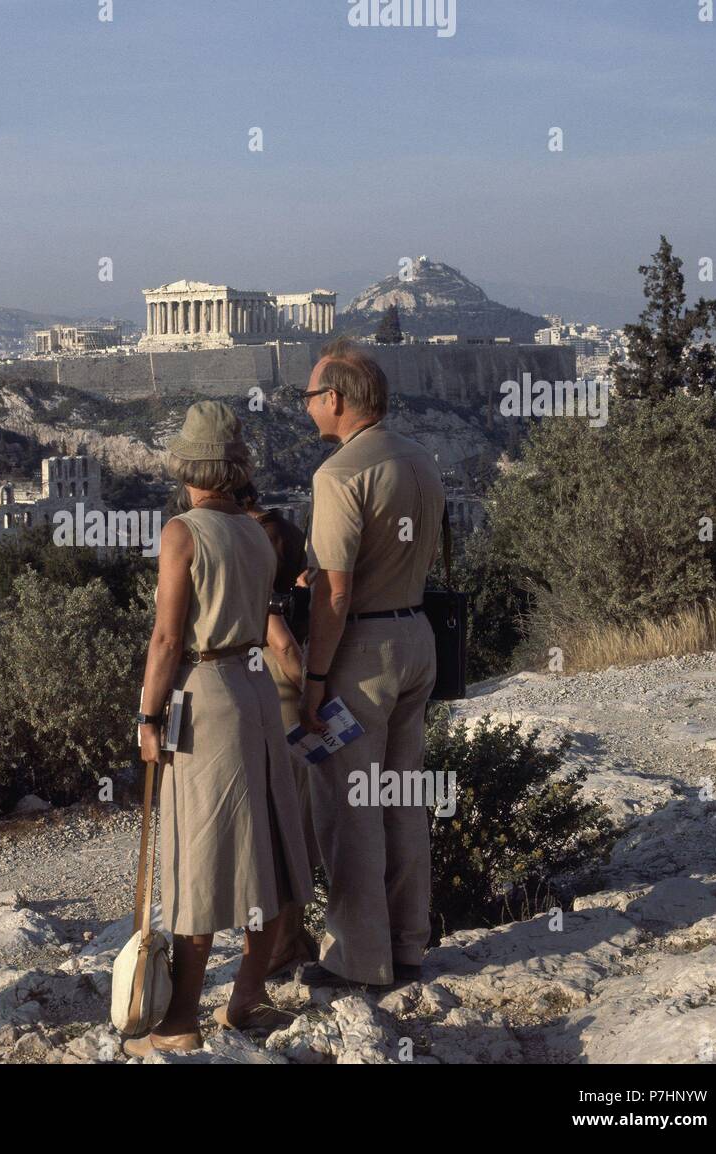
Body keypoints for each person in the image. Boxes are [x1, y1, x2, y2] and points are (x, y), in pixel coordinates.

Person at [129, 401, 314, 1056]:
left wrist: (149, 716)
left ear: (185, 463)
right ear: (233, 465)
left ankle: (179, 1021)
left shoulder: (183, 532)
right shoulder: (255, 532)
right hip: (259, 689)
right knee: (266, 845)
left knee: (200, 856)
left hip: (207, 693)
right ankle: (247, 994)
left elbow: (166, 637)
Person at [297, 340, 445, 989]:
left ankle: (359, 961)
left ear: (334, 399)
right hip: (416, 634)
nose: (306, 408)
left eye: (309, 397)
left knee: (352, 808)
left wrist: (315, 678)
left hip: (360, 654)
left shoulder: (338, 475)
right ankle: (410, 946)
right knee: (403, 799)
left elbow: (335, 593)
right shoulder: (421, 460)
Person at [232, 481, 322, 974]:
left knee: (277, 824)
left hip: (281, 689)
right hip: (302, 678)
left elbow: (280, 638)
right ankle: (291, 935)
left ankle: (279, 946)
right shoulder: (286, 528)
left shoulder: (252, 541)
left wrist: (304, 688)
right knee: (300, 823)